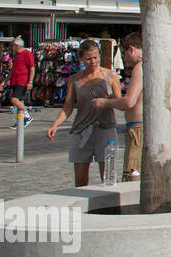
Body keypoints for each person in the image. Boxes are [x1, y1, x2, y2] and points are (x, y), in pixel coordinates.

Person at [45, 39, 122, 187]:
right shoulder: (74, 79)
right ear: (81, 58)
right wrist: (55, 125)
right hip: (82, 131)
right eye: (88, 58)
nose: (92, 61)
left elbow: (120, 102)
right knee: (80, 181)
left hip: (105, 129)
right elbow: (68, 107)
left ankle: (111, 207)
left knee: (108, 178)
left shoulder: (110, 76)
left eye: (95, 57)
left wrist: (108, 101)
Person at [91, 32, 143, 182]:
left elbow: (129, 102)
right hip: (141, 126)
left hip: (138, 128)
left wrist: (105, 103)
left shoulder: (140, 67)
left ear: (131, 49)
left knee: (132, 173)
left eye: (124, 53)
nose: (124, 59)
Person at [7, 37, 35, 128]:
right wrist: (4, 81)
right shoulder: (16, 56)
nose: (11, 48)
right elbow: (13, 70)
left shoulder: (27, 54)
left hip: (22, 81)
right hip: (14, 81)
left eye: (12, 46)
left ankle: (27, 116)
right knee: (20, 102)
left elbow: (32, 68)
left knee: (13, 99)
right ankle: (20, 121)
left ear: (17, 46)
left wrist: (30, 81)